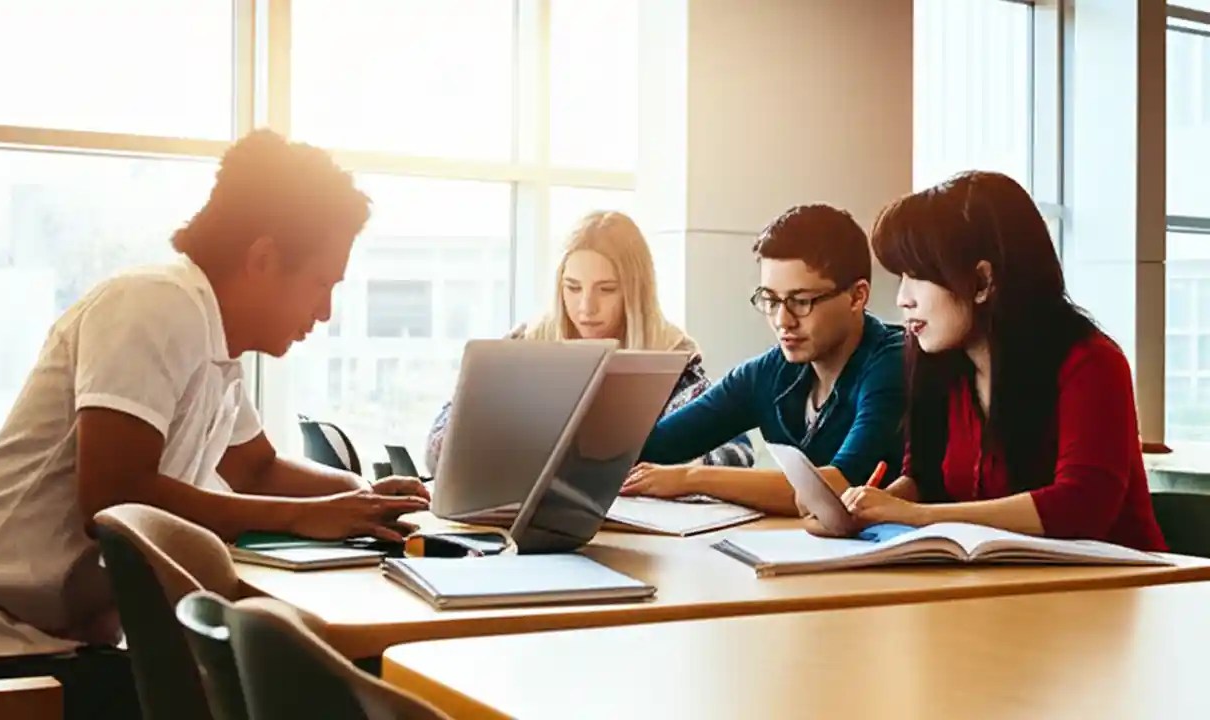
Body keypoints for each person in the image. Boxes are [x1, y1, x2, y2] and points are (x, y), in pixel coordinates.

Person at [0, 130, 430, 720]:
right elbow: (111, 496)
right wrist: (301, 515)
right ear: (264, 258)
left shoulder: (217, 345)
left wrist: (365, 499)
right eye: (322, 283)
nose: (323, 311)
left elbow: (257, 467)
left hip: (41, 636)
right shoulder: (156, 305)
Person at [831, 170, 1166, 551]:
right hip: (1002, 584)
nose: (903, 298)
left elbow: (1081, 507)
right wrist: (867, 510)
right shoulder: (939, 363)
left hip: (1121, 590)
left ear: (982, 282)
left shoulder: (1090, 362)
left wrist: (919, 517)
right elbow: (922, 479)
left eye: (918, 276)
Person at [622, 204, 905, 515]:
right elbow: (654, 446)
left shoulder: (893, 361)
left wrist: (692, 477)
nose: (783, 320)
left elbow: (837, 487)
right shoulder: (769, 372)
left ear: (857, 296)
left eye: (801, 301)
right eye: (770, 299)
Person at [424, 211, 753, 473]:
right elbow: (438, 446)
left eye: (606, 289)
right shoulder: (523, 345)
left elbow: (736, 453)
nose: (586, 308)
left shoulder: (671, 358)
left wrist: (629, 464)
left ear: (634, 292)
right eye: (572, 287)